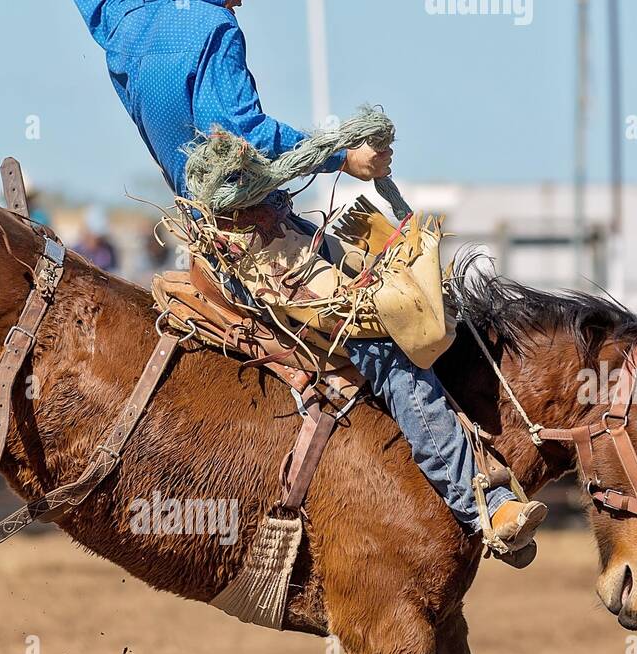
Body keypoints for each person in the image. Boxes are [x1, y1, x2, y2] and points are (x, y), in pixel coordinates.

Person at [74, 0, 546, 561]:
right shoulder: (209, 27)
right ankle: (483, 506)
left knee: (397, 293)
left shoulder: (127, 32)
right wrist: (345, 156)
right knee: (388, 330)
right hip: (260, 247)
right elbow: (247, 134)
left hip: (220, 235)